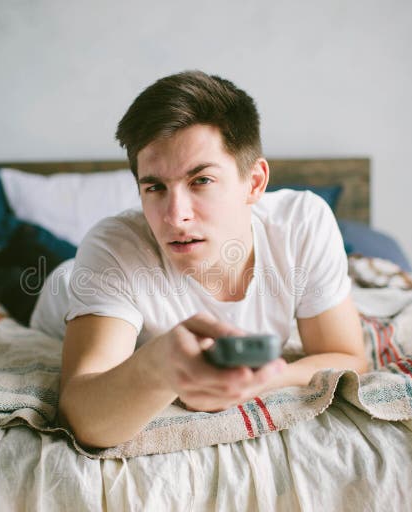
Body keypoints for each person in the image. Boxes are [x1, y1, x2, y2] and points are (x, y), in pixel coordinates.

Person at [46, 71, 367, 448]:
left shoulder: (302, 223)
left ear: (254, 182)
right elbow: (81, 417)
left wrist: (259, 382)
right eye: (155, 187)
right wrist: (159, 366)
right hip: (60, 290)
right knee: (28, 262)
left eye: (201, 181)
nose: (175, 216)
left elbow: (347, 357)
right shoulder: (112, 247)